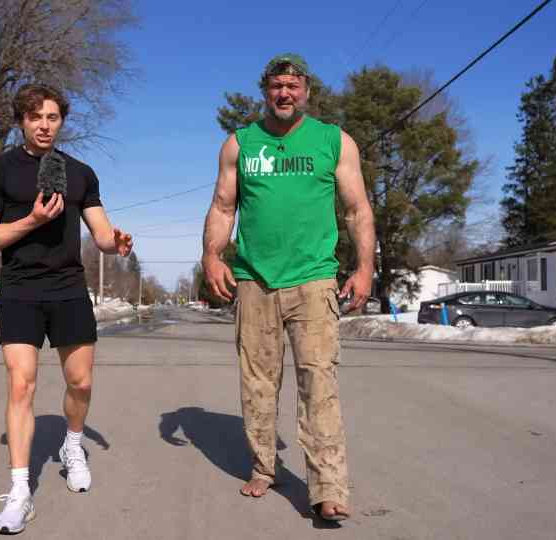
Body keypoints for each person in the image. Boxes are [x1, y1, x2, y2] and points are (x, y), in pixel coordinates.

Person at [201, 53, 375, 522]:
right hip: (255, 280)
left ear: (307, 92)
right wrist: (211, 256)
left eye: (293, 86)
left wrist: (363, 268)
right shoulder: (240, 144)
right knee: (258, 384)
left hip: (315, 279)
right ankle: (263, 466)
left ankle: (328, 487)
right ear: (266, 92)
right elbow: (222, 207)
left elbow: (357, 209)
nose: (285, 93)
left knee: (318, 382)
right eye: (277, 86)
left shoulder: (333, 141)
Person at [0, 83, 133, 535]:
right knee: (21, 386)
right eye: (35, 117)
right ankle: (20, 490)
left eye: (52, 117)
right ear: (21, 120)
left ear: (62, 121)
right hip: (20, 288)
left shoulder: (80, 173)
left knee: (80, 383)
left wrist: (114, 243)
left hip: (68, 287)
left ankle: (72, 445)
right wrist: (31, 221)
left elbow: (99, 231)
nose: (44, 125)